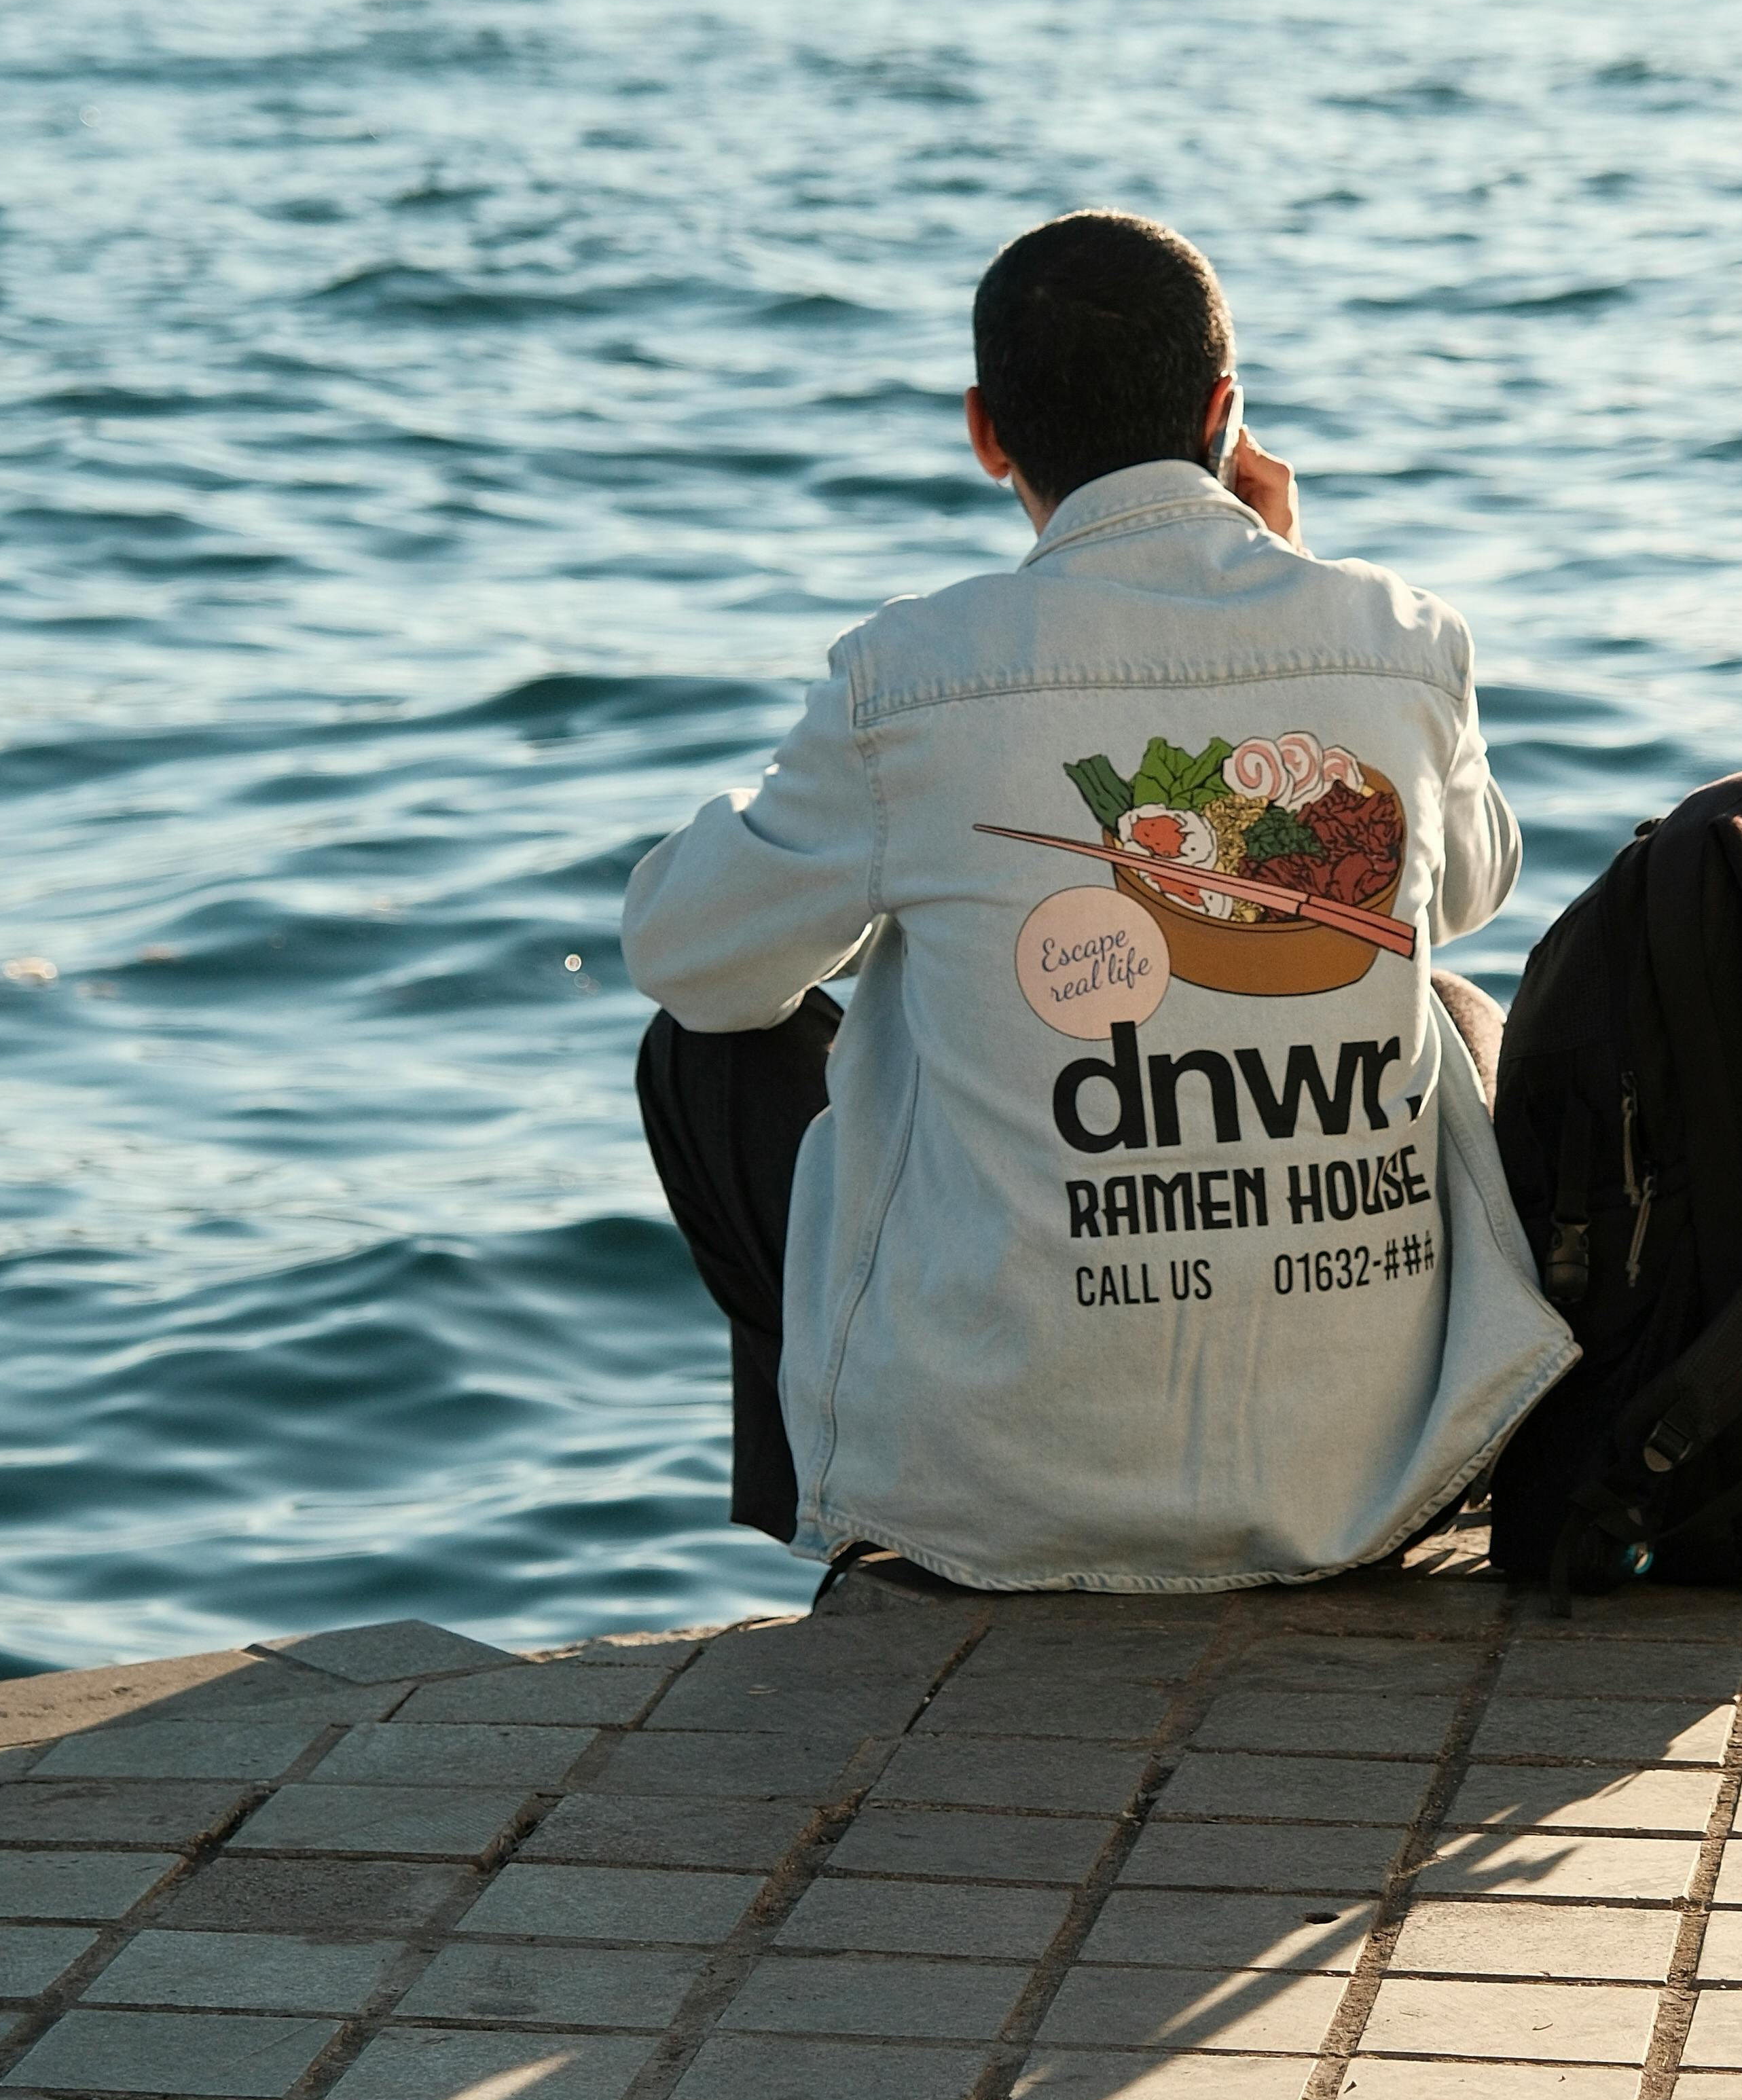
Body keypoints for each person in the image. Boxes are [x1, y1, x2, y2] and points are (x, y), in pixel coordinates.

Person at [624, 209, 1574, 1595]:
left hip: (1004, 1497)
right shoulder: (1402, 635)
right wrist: (1298, 580)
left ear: (984, 433)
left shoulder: (915, 673)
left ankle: (856, 1511)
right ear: (1222, 413)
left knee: (704, 1049)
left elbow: (683, 958)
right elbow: (1475, 876)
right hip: (1372, 1481)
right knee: (1438, 994)